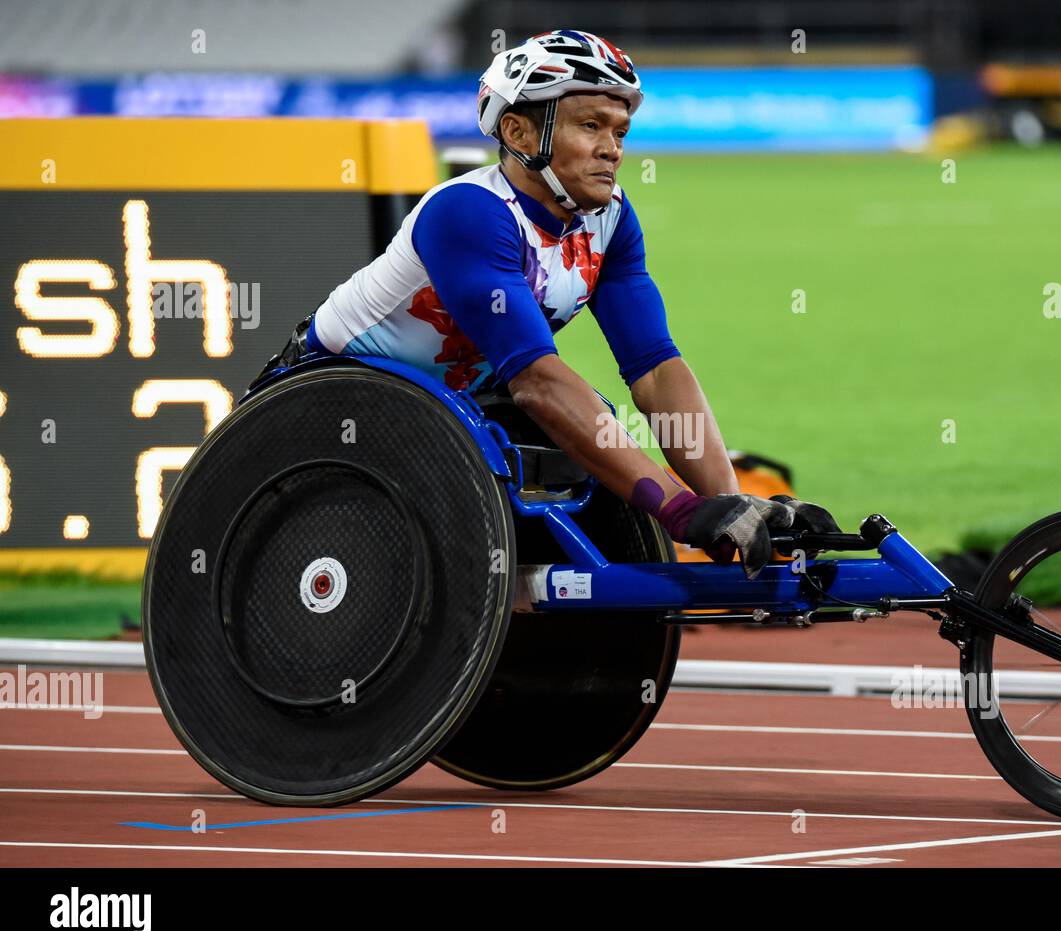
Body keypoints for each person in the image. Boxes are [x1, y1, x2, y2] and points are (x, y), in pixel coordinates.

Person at [253, 29, 839, 577]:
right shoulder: (469, 213)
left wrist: (727, 503)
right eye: (591, 126)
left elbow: (656, 370)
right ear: (519, 134)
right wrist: (681, 512)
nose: (611, 149)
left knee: (586, 423)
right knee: (564, 408)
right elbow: (537, 381)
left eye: (620, 131)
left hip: (444, 410)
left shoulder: (609, 219)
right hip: (323, 410)